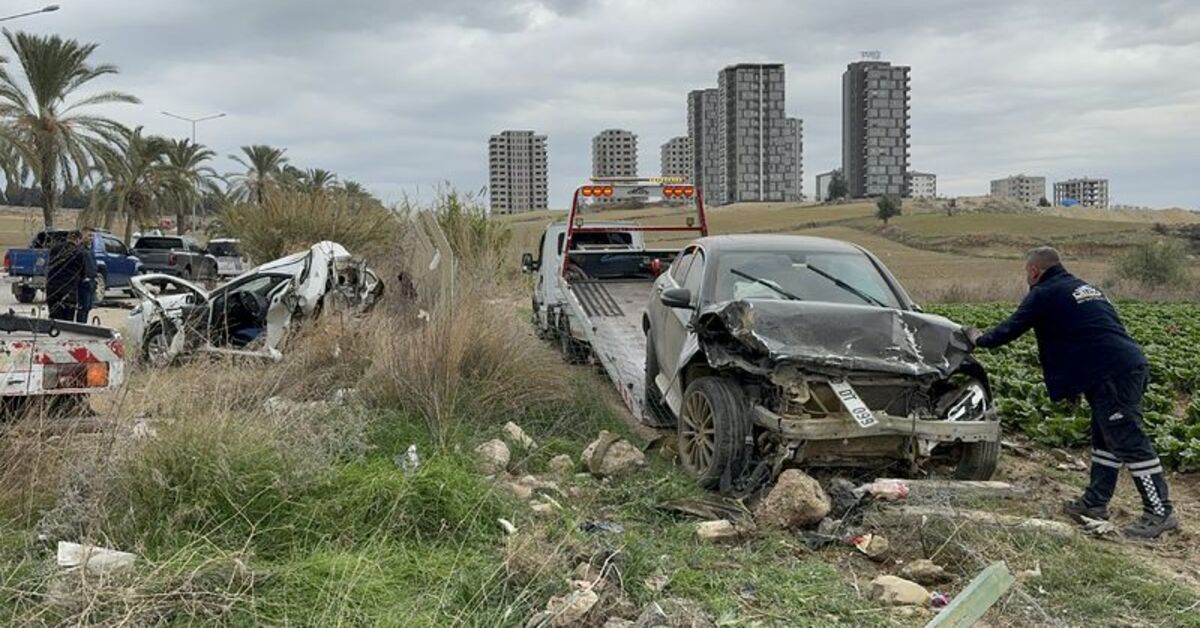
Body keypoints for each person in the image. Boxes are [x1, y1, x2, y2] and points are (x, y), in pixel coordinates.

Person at [964, 247, 1177, 539]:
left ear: (1035, 271)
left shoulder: (1045, 293)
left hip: (1111, 373)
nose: (1027, 278)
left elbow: (1010, 329)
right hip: (1121, 367)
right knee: (1105, 440)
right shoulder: (1085, 288)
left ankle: (1159, 511)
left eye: (1027, 273)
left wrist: (978, 338)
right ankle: (1094, 503)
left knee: (1129, 441)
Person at [46, 231, 83, 321]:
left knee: (54, 318)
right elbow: (83, 272)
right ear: (78, 240)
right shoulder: (79, 252)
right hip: (69, 291)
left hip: (52, 289)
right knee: (67, 321)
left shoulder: (54, 249)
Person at [76, 227, 98, 323]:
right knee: (83, 307)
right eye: (89, 235)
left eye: (93, 236)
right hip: (83, 283)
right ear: (83, 236)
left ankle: (84, 324)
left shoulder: (90, 250)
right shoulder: (80, 250)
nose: (91, 238)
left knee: (88, 307)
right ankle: (81, 327)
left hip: (92, 282)